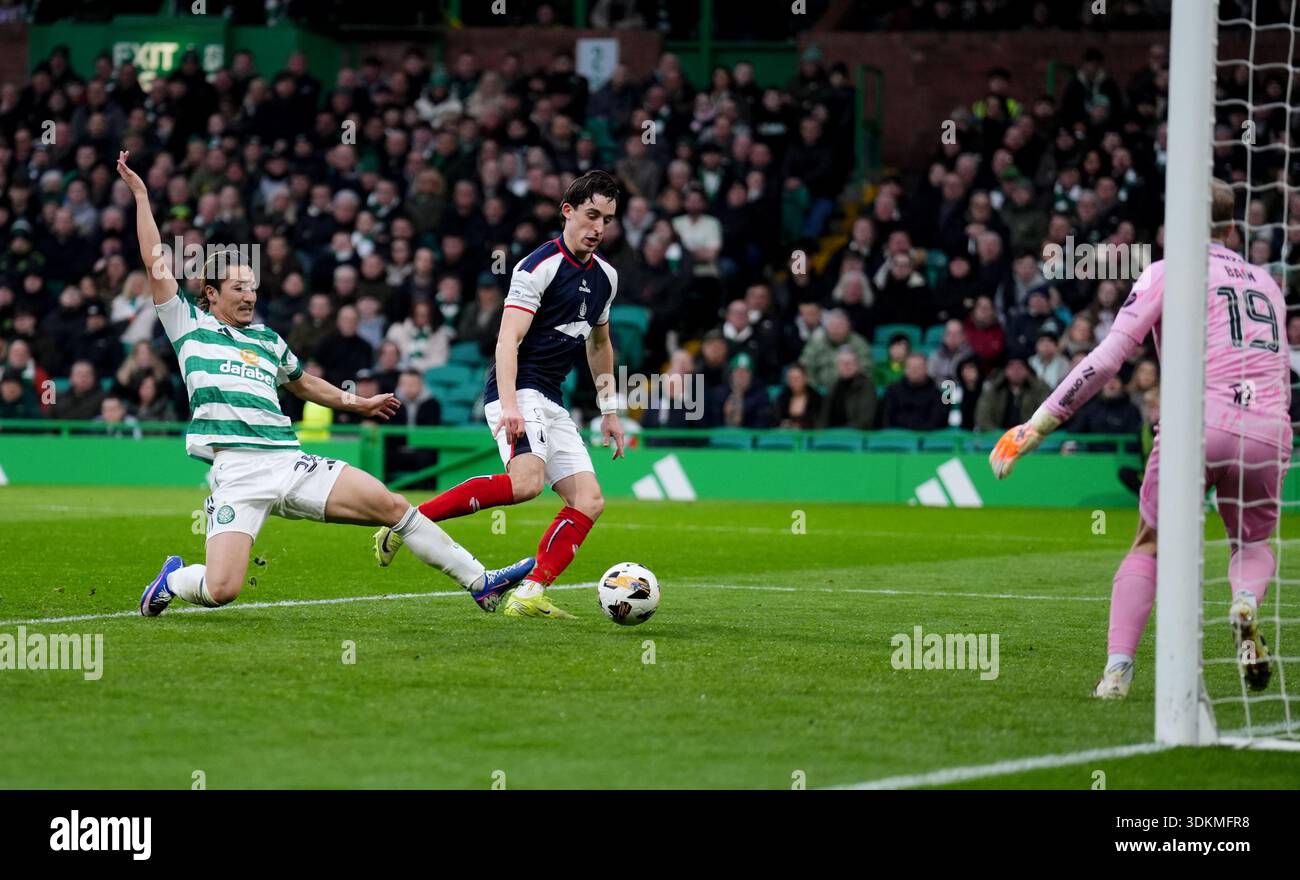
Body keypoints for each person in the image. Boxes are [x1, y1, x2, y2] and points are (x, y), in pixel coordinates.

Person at [115, 152, 534, 619]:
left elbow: (305, 384)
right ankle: (173, 578)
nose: (250, 294)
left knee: (392, 504)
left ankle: (480, 582)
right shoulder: (186, 324)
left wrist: (359, 403)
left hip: (291, 462)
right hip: (237, 473)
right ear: (211, 294)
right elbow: (155, 263)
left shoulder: (268, 340)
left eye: (252, 286)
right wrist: (141, 196)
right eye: (238, 288)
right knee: (222, 589)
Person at [990, 180, 1292, 699]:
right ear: (1232, 227)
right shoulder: (1268, 284)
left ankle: (1117, 673)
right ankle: (1244, 603)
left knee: (1149, 542)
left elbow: (1108, 358)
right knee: (1253, 542)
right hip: (1269, 428)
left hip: (1199, 423)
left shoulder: (1167, 272)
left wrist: (1036, 424)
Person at [372, 170, 626, 620]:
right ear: (566, 211)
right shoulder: (537, 267)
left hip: (552, 397)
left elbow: (600, 344)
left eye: (607, 219)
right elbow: (507, 341)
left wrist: (610, 410)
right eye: (591, 215)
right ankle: (404, 521)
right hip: (517, 387)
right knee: (526, 484)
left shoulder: (607, 276)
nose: (598, 228)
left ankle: (529, 592)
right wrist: (510, 406)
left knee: (590, 500)